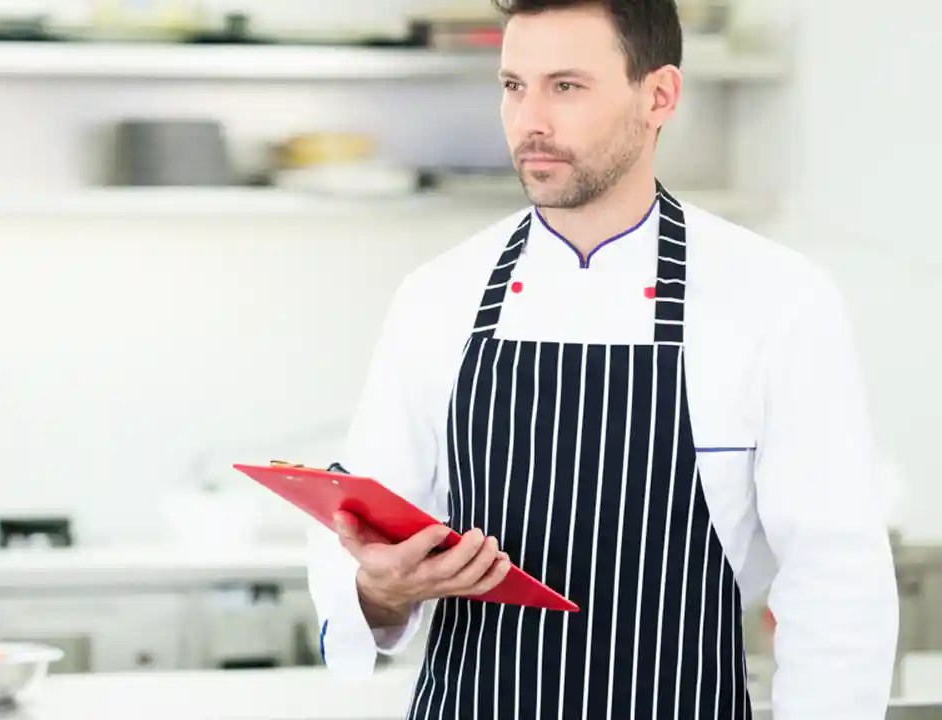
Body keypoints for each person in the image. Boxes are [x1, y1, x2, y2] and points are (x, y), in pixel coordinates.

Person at [305, 0, 899, 718]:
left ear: (659, 96)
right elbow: (364, 535)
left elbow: (836, 581)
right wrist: (378, 589)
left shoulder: (777, 299)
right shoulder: (438, 296)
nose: (531, 121)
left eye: (566, 86)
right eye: (513, 85)